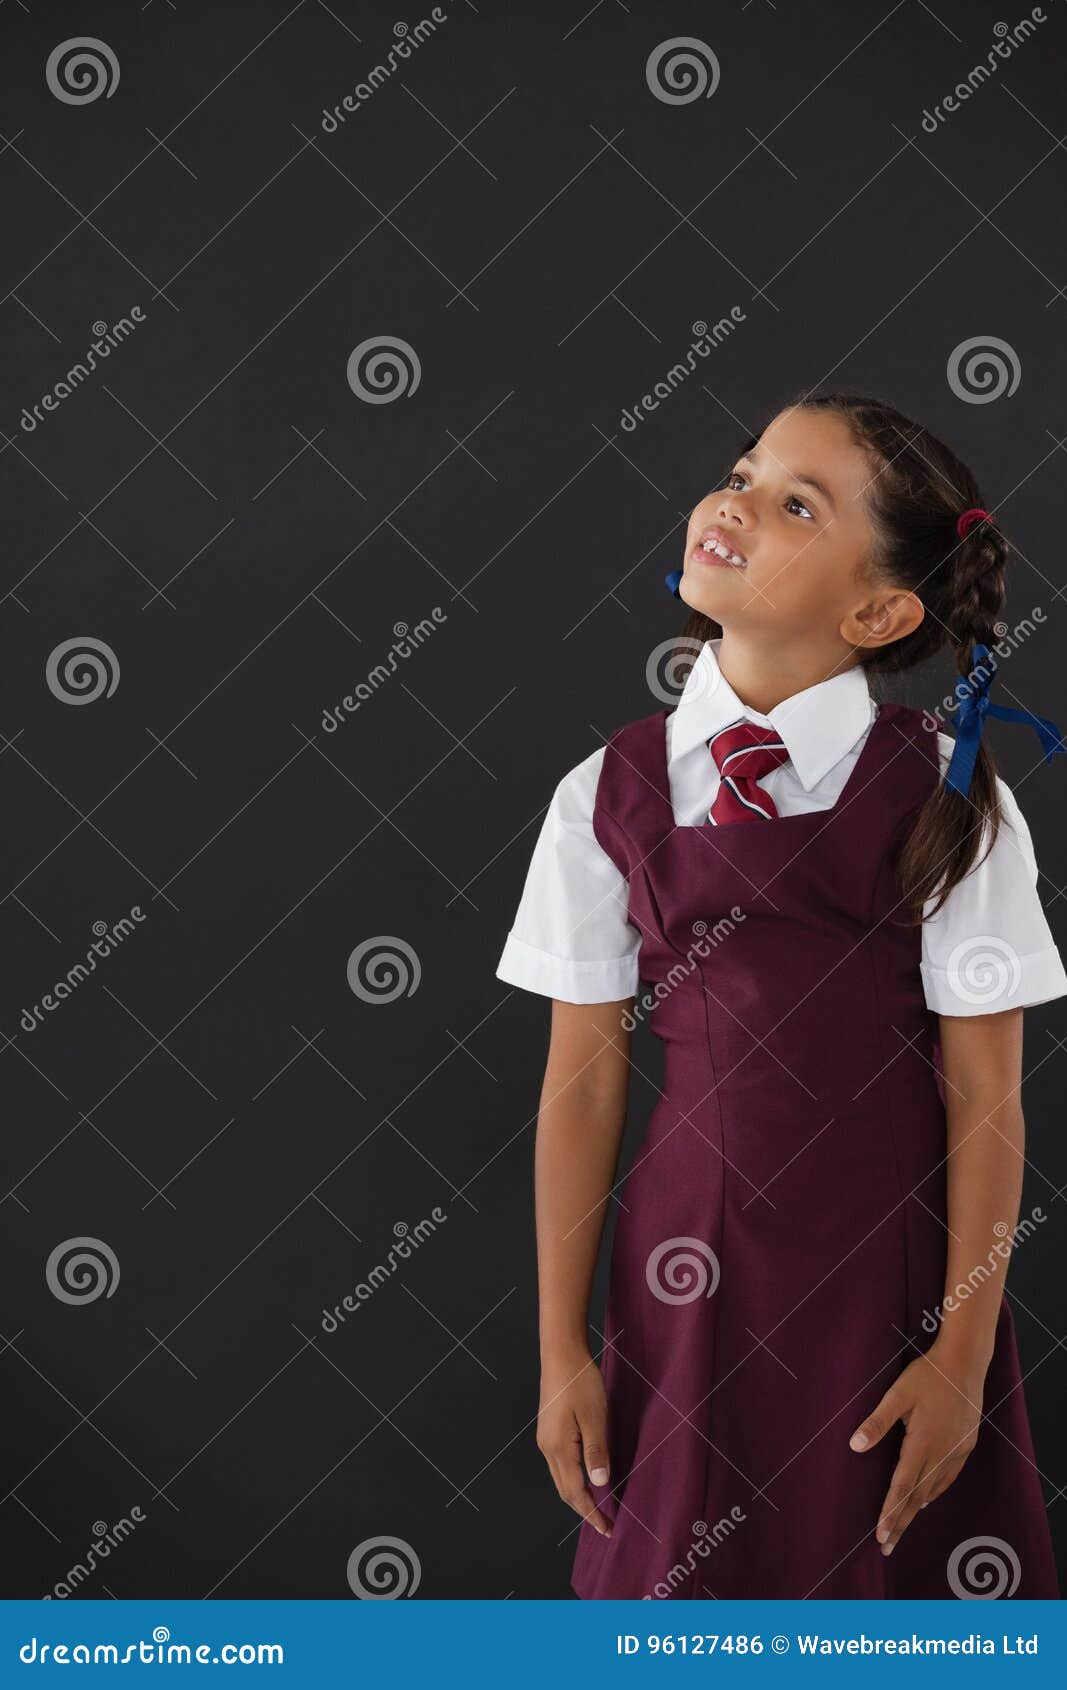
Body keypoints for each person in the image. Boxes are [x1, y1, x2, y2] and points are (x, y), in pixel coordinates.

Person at [495, 392, 1066, 1599]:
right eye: (743, 471)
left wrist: (958, 1355)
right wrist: (559, 1352)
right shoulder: (602, 796)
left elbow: (984, 1100)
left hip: (888, 1294)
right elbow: (581, 1086)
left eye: (794, 501)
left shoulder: (952, 802)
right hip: (682, 1289)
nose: (735, 501)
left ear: (878, 610)